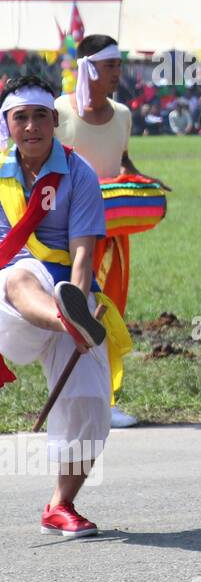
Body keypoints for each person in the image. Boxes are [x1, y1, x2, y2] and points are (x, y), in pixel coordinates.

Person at [0, 75, 131, 535]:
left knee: (90, 402)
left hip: (70, 296)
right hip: (12, 300)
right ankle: (67, 320)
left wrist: (80, 305)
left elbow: (82, 255)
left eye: (41, 116)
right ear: (6, 124)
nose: (32, 126)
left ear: (55, 121)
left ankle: (61, 504)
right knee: (20, 275)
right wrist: (70, 321)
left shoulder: (79, 173)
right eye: (21, 118)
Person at [54, 34, 147, 429]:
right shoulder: (58, 111)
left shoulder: (123, 114)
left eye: (119, 67)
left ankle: (106, 397)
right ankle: (79, 398)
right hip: (69, 234)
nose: (118, 75)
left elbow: (121, 158)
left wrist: (140, 179)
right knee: (76, 310)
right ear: (89, 67)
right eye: (111, 67)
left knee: (110, 312)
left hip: (115, 231)